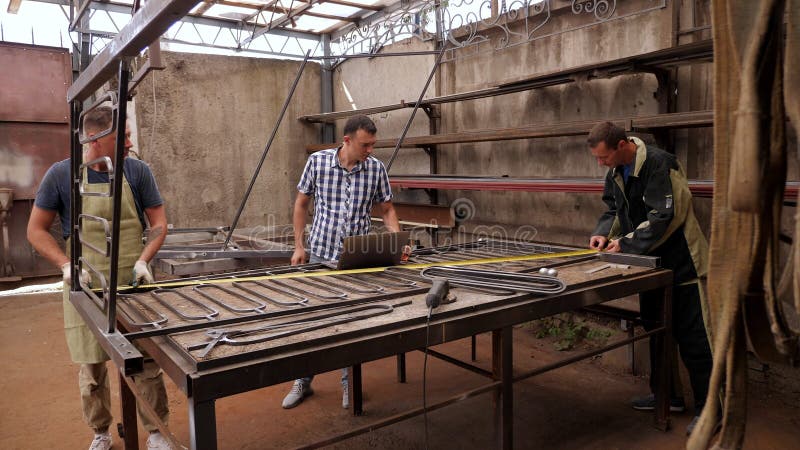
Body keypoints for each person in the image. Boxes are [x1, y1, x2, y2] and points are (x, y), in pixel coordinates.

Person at [27, 106, 172, 450]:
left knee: (147, 362)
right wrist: (66, 265)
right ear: (95, 137)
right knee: (92, 368)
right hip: (86, 287)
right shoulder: (61, 176)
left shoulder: (137, 172)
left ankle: (156, 432)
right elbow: (36, 230)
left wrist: (143, 261)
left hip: (133, 284)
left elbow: (159, 223)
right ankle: (101, 432)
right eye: (122, 136)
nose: (130, 141)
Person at [586, 121, 713, 435]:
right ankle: (667, 398)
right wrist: (603, 235)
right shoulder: (616, 172)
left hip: (681, 265)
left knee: (694, 338)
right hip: (649, 265)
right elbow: (614, 209)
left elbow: (665, 217)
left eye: (603, 157)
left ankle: (711, 409)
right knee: (657, 332)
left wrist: (625, 244)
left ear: (621, 145)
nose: (600, 163)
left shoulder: (660, 164)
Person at [284, 114, 401, 409]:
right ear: (347, 140)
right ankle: (303, 381)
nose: (370, 150)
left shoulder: (375, 168)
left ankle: (350, 383)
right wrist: (299, 246)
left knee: (352, 322)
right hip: (321, 254)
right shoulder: (318, 163)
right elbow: (301, 203)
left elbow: (387, 210)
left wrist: (399, 242)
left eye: (373, 145)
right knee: (312, 320)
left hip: (357, 259)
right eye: (365, 145)